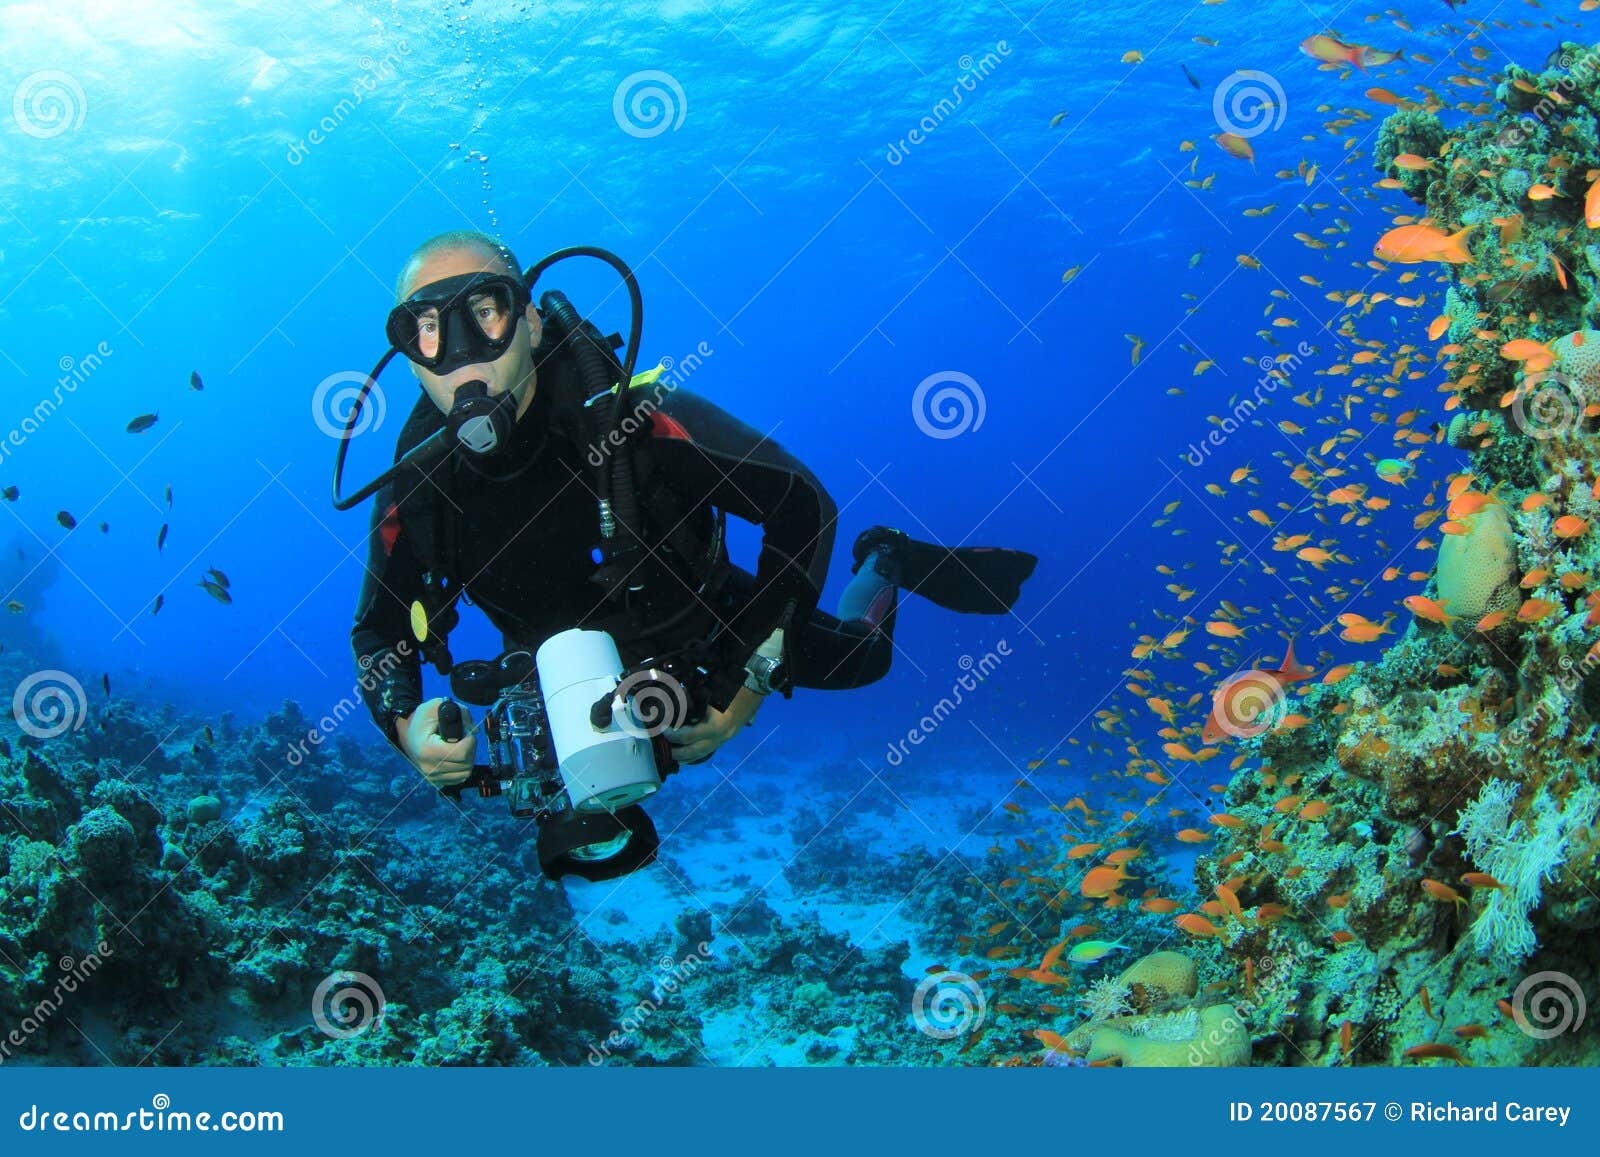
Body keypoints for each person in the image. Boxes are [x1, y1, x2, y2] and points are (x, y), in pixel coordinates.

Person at [351, 230, 1038, 787]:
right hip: (560, 677)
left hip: (708, 627)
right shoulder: (416, 487)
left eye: (486, 311)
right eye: (430, 327)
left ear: (530, 320)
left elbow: (800, 502)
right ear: (408, 354)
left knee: (866, 661)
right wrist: (408, 730)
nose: (461, 355)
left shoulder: (630, 421)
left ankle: (885, 557)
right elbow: (378, 631)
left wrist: (745, 691)